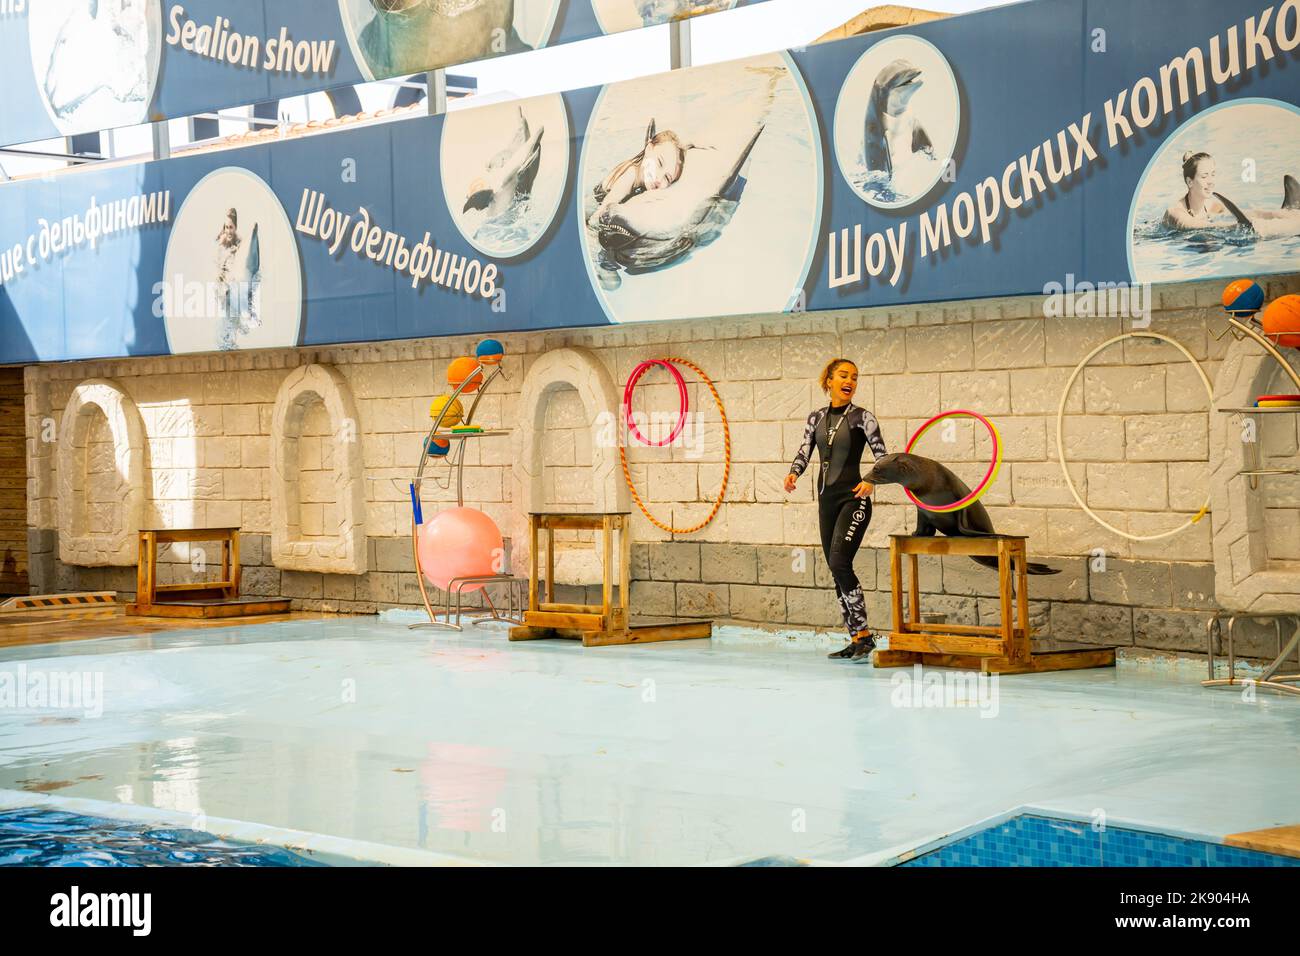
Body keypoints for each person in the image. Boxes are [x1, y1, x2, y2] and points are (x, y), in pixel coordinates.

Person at [784, 359, 888, 661]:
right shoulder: (815, 417)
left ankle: (865, 635)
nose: (850, 381)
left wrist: (871, 481)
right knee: (834, 567)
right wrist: (794, 473)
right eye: (844, 375)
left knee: (840, 562)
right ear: (829, 380)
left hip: (853, 500)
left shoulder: (863, 417)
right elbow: (805, 450)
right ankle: (856, 638)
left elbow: (884, 457)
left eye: (855, 377)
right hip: (826, 500)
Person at [1162, 152, 1229, 229]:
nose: (1211, 182)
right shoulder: (1174, 213)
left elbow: (1240, 214)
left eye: (1213, 175)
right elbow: (1191, 225)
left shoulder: (1213, 208)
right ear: (1190, 182)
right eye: (1204, 176)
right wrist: (1233, 226)